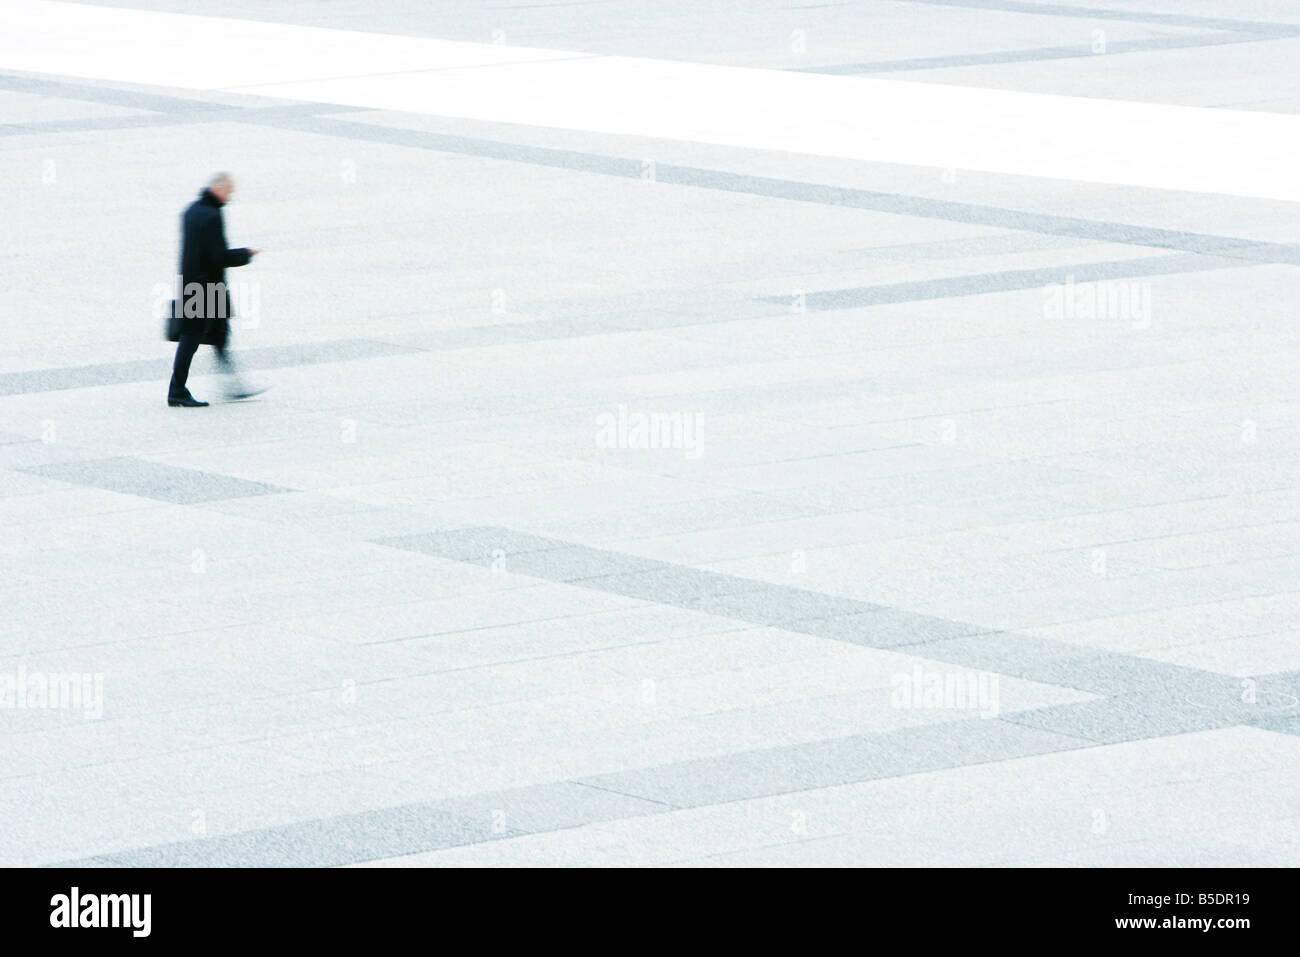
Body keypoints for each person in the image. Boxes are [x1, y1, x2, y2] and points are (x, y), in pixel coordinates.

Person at [168, 172, 265, 407]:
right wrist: (245, 254)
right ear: (218, 189)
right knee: (191, 339)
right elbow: (218, 256)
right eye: (229, 191)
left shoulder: (191, 210)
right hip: (207, 288)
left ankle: (233, 387)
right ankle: (177, 391)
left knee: (219, 335)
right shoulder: (212, 215)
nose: (230, 197)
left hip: (193, 283)